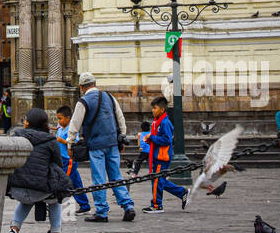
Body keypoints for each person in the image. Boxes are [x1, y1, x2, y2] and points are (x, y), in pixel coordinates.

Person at [68, 73, 135, 223]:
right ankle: (128, 206)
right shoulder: (109, 97)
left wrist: (70, 143)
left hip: (96, 145)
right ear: (95, 83)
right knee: (116, 175)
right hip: (112, 143)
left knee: (99, 178)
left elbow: (74, 124)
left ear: (81, 87)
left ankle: (102, 211)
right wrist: (122, 137)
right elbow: (120, 118)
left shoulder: (83, 101)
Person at [5, 108, 72, 233]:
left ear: (28, 123)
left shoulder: (17, 138)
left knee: (26, 199)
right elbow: (58, 164)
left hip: (17, 188)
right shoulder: (50, 140)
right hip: (41, 189)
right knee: (55, 200)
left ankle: (13, 230)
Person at [144, 96, 188, 213]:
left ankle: (157, 205)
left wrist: (152, 137)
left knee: (157, 180)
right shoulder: (158, 122)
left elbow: (167, 140)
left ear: (162, 110)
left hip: (162, 156)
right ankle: (181, 192)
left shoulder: (165, 123)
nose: (152, 110)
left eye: (154, 108)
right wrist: (150, 139)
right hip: (157, 155)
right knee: (159, 180)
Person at [55, 105, 90, 214]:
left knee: (64, 181)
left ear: (68, 118)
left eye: (60, 118)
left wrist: (63, 141)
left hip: (69, 159)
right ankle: (84, 205)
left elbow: (75, 143)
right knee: (76, 183)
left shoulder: (72, 130)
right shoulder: (61, 128)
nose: (59, 121)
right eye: (58, 119)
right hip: (62, 159)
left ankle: (56, 203)